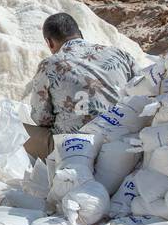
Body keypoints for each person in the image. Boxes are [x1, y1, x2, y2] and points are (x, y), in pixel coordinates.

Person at [23, 12, 136, 159]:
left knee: (21, 134)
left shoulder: (49, 65)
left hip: (76, 148)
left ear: (49, 42)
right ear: (80, 34)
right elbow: (142, 90)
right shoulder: (119, 54)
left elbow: (41, 118)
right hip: (123, 139)